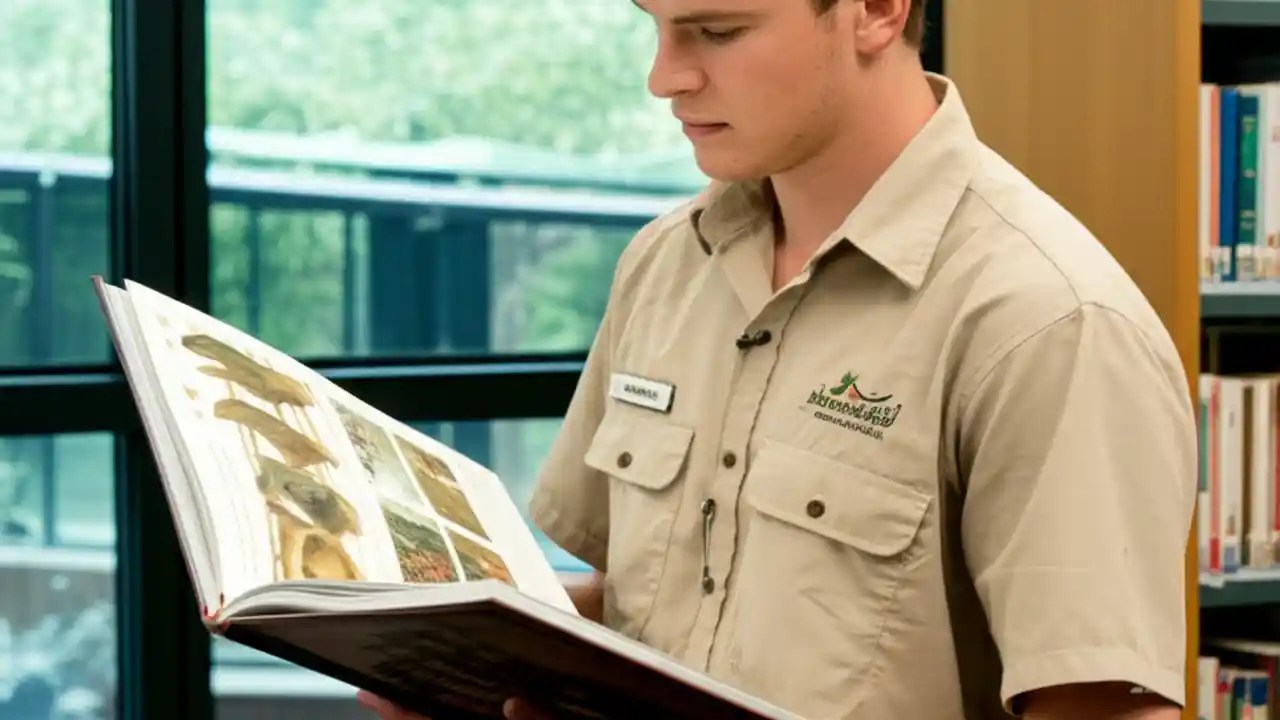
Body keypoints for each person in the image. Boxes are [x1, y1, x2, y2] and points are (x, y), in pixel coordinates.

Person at [359, 0, 1198, 717]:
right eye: (655, 26)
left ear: (876, 9)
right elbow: (646, 604)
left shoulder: (1047, 322)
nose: (666, 77)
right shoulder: (663, 265)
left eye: (716, 31)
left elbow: (1104, 706)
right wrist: (442, 652)